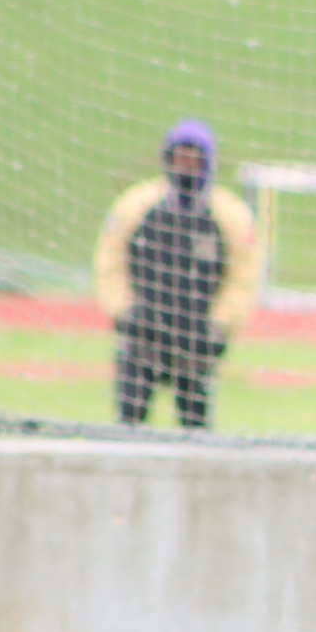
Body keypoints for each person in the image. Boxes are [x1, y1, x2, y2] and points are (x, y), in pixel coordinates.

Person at [93, 120, 260, 429]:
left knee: (196, 430)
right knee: (128, 423)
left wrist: (220, 326)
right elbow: (110, 260)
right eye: (180, 158)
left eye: (194, 159)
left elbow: (244, 276)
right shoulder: (136, 205)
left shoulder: (230, 215)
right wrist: (124, 311)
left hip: (196, 339)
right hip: (144, 333)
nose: (186, 167)